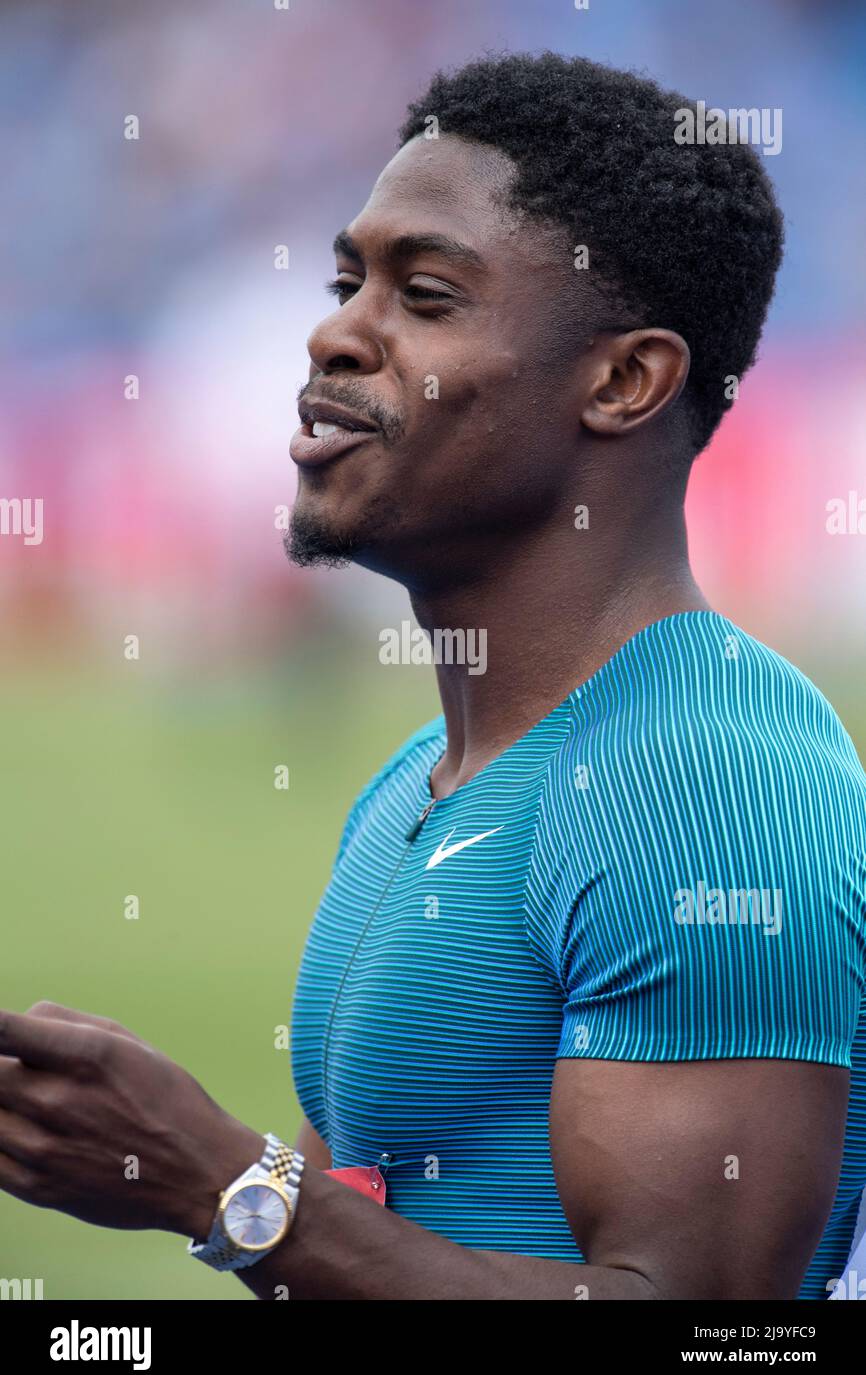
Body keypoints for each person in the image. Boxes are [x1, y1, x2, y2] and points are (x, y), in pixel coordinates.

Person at [1, 53, 863, 1301]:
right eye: (348, 279)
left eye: (427, 294)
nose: (335, 331)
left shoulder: (705, 783)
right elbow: (369, 1242)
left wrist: (220, 1187)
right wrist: (205, 1182)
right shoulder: (420, 782)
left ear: (623, 382)